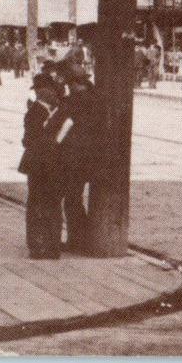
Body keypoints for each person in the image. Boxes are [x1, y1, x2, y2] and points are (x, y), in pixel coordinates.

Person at [19, 74, 64, 259]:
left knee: (44, 204)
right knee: (45, 204)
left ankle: (45, 246)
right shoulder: (44, 112)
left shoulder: (43, 111)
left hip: (44, 165)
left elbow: (28, 140)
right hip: (46, 165)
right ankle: (45, 246)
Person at [57, 59, 99, 253]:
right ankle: (81, 239)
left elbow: (63, 127)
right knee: (74, 198)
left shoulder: (75, 101)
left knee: (72, 198)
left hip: (76, 157)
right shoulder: (93, 96)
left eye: (68, 84)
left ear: (73, 82)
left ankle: (79, 240)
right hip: (89, 156)